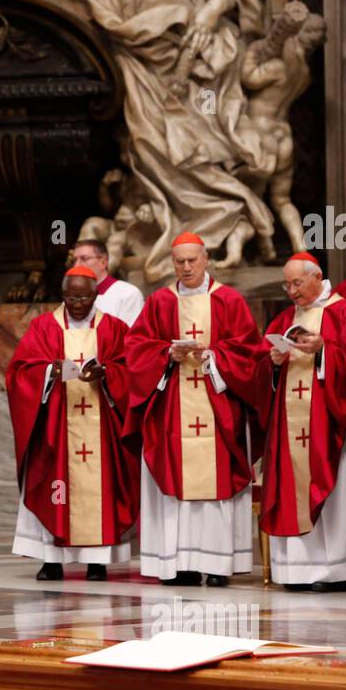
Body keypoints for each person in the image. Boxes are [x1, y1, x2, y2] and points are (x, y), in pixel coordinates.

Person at [125, 231, 268, 585]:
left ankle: (217, 566)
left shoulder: (230, 301)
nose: (186, 267)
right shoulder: (159, 301)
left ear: (206, 259)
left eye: (192, 260)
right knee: (175, 485)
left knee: (216, 486)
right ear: (172, 262)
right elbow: (136, 350)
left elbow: (251, 352)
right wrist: (166, 355)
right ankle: (178, 565)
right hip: (172, 409)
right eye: (179, 261)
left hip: (218, 409)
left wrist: (216, 356)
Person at [7, 265, 138, 582]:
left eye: (83, 296)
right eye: (70, 296)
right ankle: (51, 560)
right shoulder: (43, 327)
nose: (77, 302)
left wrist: (108, 374)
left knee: (100, 488)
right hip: (56, 428)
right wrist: (48, 372)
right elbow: (19, 372)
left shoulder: (115, 328)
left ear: (95, 294)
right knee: (54, 488)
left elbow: (132, 369)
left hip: (101, 428)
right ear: (62, 295)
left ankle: (97, 561)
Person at [261, 254, 346, 591]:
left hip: (326, 421)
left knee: (328, 489)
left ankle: (330, 572)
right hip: (289, 421)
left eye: (297, 283)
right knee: (291, 487)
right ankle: (293, 571)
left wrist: (324, 350)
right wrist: (274, 363)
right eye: (287, 285)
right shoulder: (285, 319)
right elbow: (260, 369)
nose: (291, 291)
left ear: (317, 276)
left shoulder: (343, 310)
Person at [70, 238, 145, 327]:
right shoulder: (71, 297)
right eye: (74, 260)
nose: (76, 265)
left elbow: (129, 336)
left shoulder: (128, 294)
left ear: (103, 262)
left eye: (84, 258)